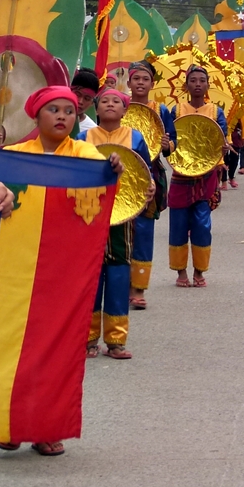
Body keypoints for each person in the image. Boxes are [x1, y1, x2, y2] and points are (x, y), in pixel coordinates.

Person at [0, 84, 123, 457]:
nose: (62, 117)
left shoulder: (87, 157)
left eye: (68, 111)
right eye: (53, 110)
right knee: (11, 345)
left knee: (59, 349)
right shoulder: (13, 156)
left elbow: (106, 200)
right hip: (16, 269)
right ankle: (9, 422)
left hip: (64, 271)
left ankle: (47, 428)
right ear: (35, 116)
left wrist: (112, 170)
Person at [79, 88, 152, 360]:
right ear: (96, 110)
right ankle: (87, 339)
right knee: (91, 277)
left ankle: (116, 339)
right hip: (90, 214)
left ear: (124, 111)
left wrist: (150, 189)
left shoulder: (135, 138)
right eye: (105, 101)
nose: (110, 105)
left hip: (123, 218)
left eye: (116, 102)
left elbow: (146, 171)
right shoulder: (82, 138)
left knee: (120, 277)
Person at [167, 66, 228, 288]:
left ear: (208, 85)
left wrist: (222, 151)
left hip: (205, 176)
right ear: (186, 85)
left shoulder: (216, 112)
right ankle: (181, 271)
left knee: (202, 225)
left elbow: (220, 138)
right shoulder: (175, 111)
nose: (198, 84)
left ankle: (199, 271)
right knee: (178, 224)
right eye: (193, 80)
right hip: (181, 175)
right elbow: (171, 141)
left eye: (202, 80)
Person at [126, 60, 177, 310]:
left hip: (150, 175)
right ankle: (121, 283)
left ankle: (139, 288)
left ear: (152, 84)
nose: (140, 83)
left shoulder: (162, 110)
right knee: (121, 231)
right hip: (123, 176)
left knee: (144, 232)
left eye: (145, 79)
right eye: (136, 78)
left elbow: (172, 142)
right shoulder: (118, 105)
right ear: (129, 82)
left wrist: (169, 146)